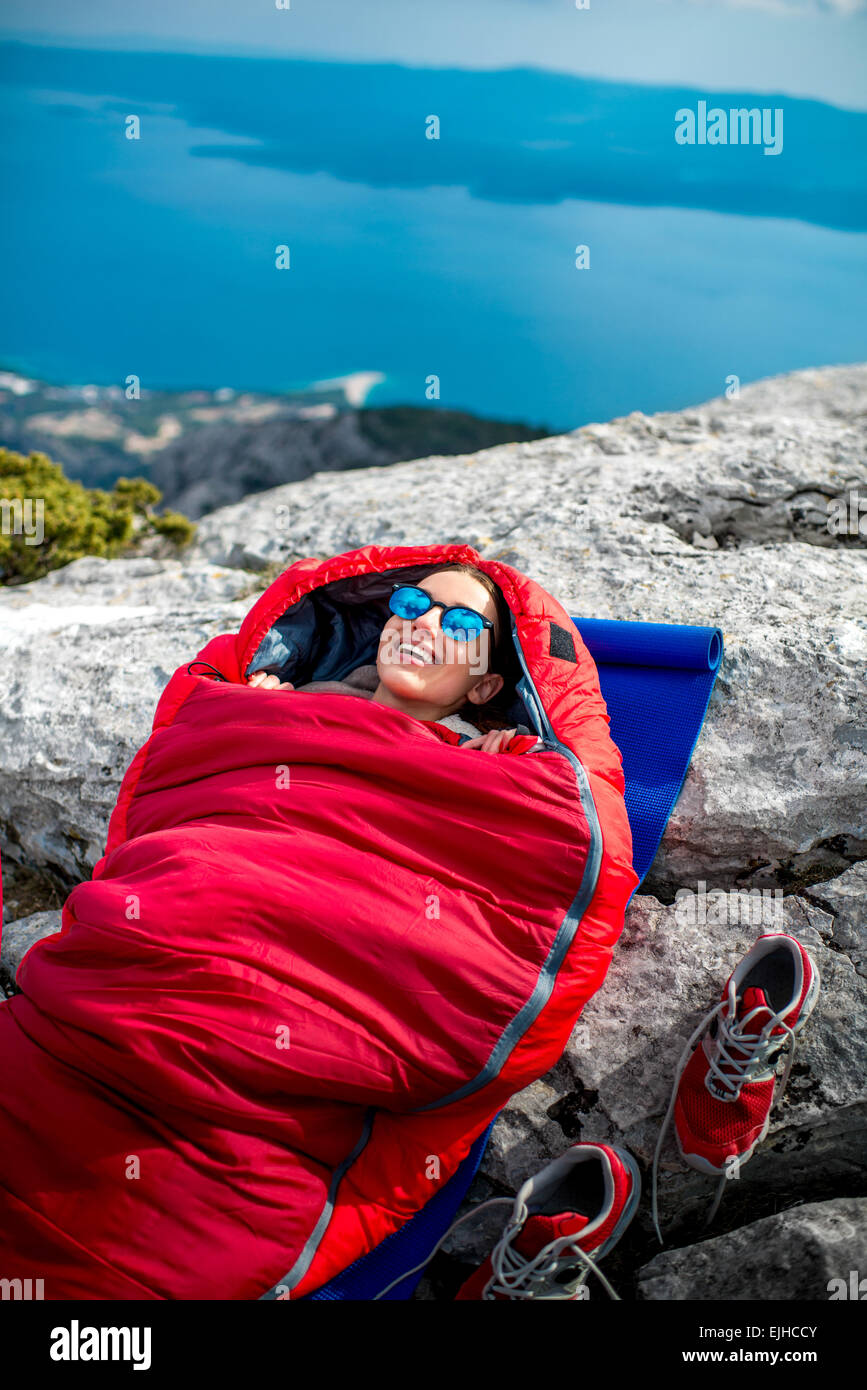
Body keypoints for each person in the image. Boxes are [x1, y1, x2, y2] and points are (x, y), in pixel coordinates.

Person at [246, 562, 542, 754]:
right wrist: (259, 717)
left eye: (462, 623)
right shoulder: (308, 697)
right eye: (412, 602)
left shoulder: (479, 753)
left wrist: (491, 775)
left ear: (483, 686)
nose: (424, 622)